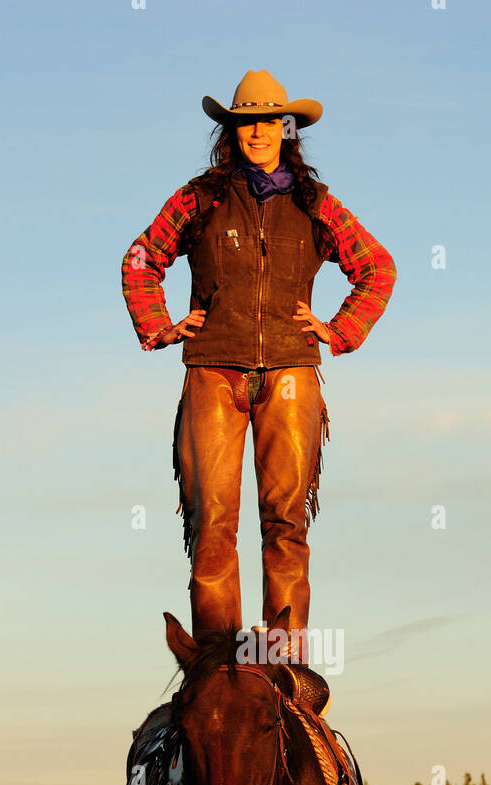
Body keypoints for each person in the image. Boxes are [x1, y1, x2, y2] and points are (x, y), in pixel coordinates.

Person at [121, 69, 396, 693]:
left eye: (270, 121)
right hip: (213, 370)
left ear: (286, 128)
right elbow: (142, 259)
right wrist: (162, 325)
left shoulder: (313, 202)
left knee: (286, 522)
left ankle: (281, 665)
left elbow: (377, 268)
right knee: (213, 523)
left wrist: (339, 329)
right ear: (232, 130)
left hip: (293, 373)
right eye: (247, 122)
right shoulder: (200, 198)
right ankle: (221, 668)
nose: (258, 133)